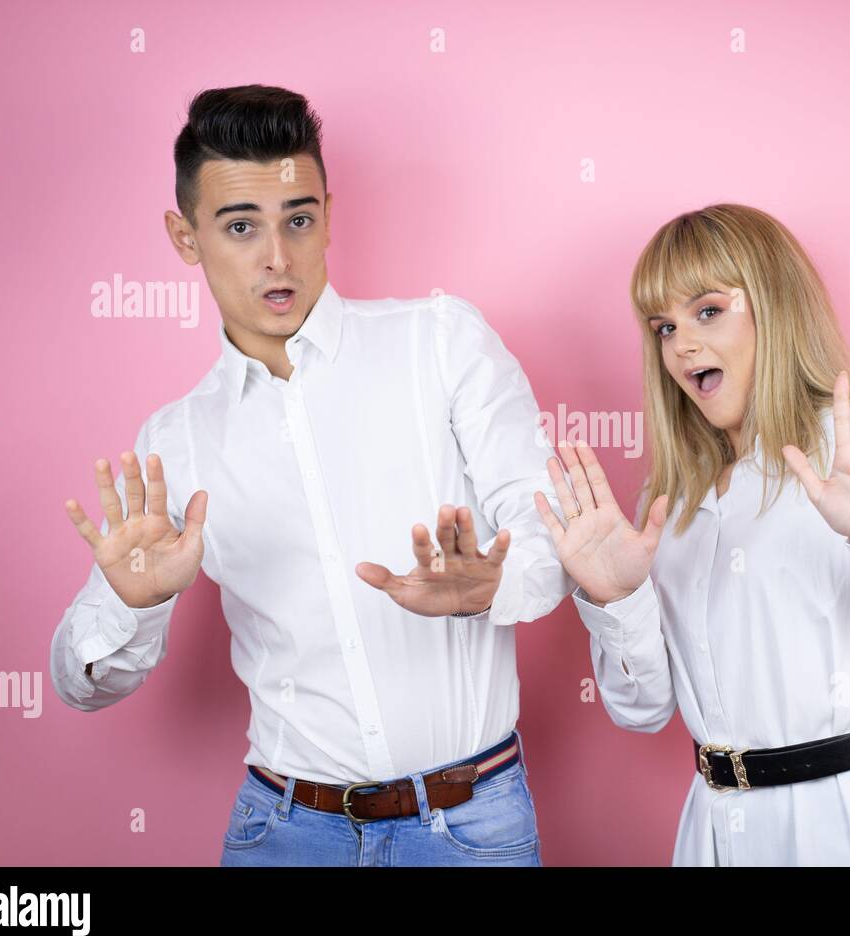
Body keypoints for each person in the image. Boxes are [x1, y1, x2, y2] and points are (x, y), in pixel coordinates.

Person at [48, 84, 574, 866]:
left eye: (299, 219)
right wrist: (136, 603)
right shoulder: (178, 439)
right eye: (239, 227)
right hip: (285, 833)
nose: (277, 258)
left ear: (328, 211)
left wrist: (494, 588)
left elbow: (553, 533)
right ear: (185, 238)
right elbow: (81, 682)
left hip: (469, 826)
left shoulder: (440, 343)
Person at [533, 203, 850, 865]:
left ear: (775, 305)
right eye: (663, 326)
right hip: (715, 830)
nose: (682, 346)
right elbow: (641, 711)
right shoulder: (667, 501)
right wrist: (616, 601)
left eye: (708, 310)